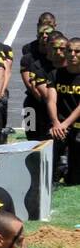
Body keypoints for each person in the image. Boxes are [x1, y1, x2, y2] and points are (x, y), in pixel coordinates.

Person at [46, 35, 80, 185]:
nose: (73, 55)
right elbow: (51, 100)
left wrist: (64, 124)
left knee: (74, 179)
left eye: (77, 51)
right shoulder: (55, 74)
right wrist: (56, 122)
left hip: (76, 126)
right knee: (52, 170)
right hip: (59, 125)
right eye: (70, 51)